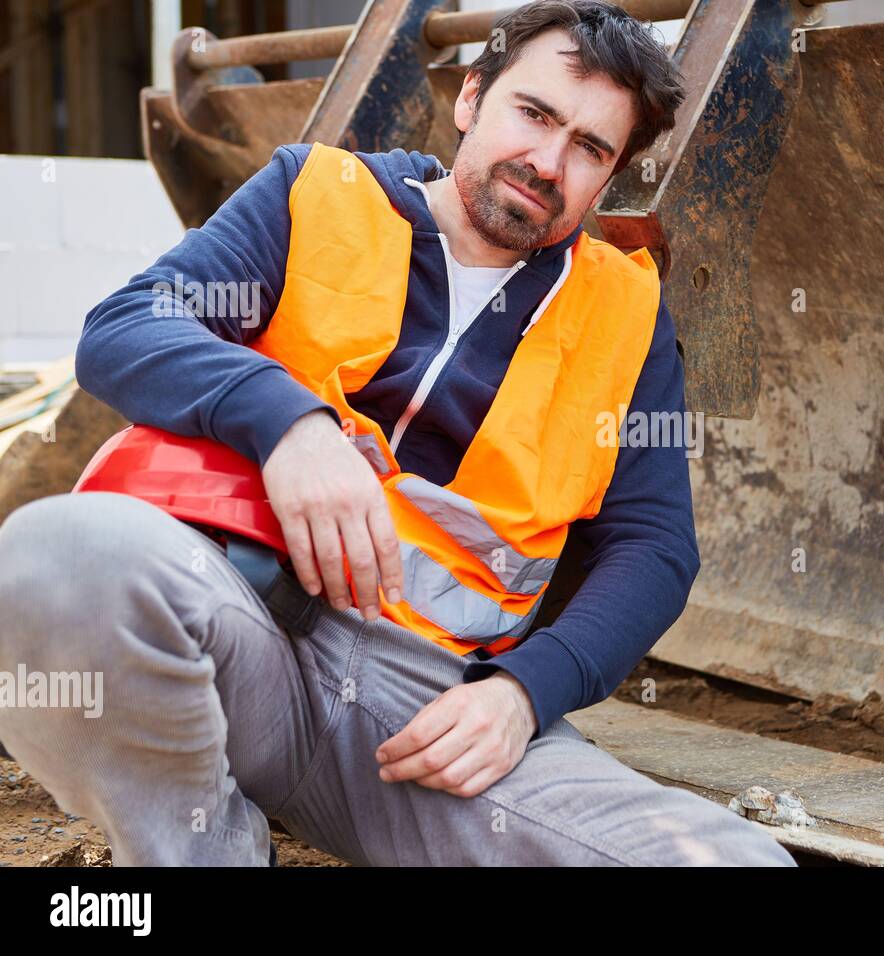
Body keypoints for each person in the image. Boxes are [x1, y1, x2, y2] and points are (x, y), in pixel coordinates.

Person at [0, 0, 796, 867]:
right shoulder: (314, 195)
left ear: (610, 177)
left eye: (590, 148)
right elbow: (128, 326)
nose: (547, 161)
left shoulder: (627, 315)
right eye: (533, 114)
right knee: (55, 555)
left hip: (428, 710)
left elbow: (654, 547)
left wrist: (526, 695)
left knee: (734, 864)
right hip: (236, 627)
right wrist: (290, 425)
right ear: (471, 98)